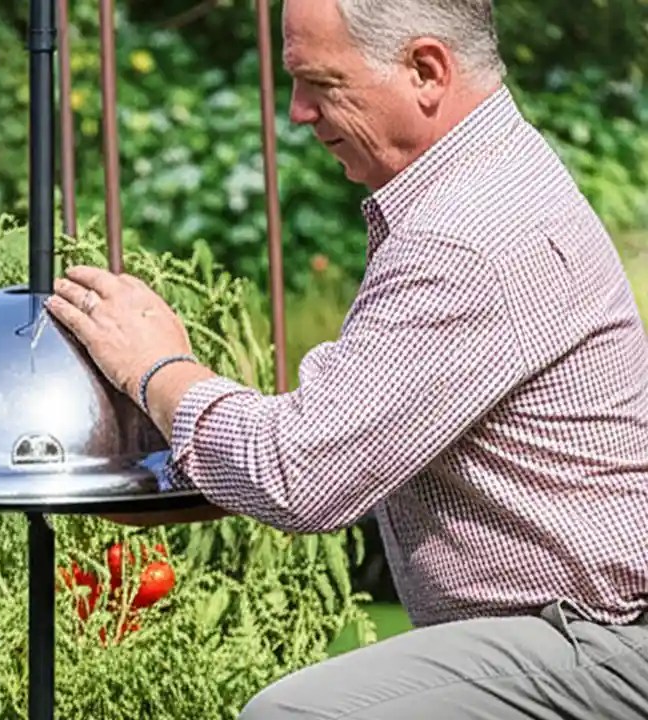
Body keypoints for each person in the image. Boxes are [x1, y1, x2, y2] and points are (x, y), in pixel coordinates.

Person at [45, 0, 648, 717]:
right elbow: (351, 437)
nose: (299, 113)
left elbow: (300, 475)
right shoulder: (487, 181)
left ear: (426, 70)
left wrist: (154, 368)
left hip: (601, 639)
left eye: (321, 84)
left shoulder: (466, 237)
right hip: (576, 627)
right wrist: (134, 473)